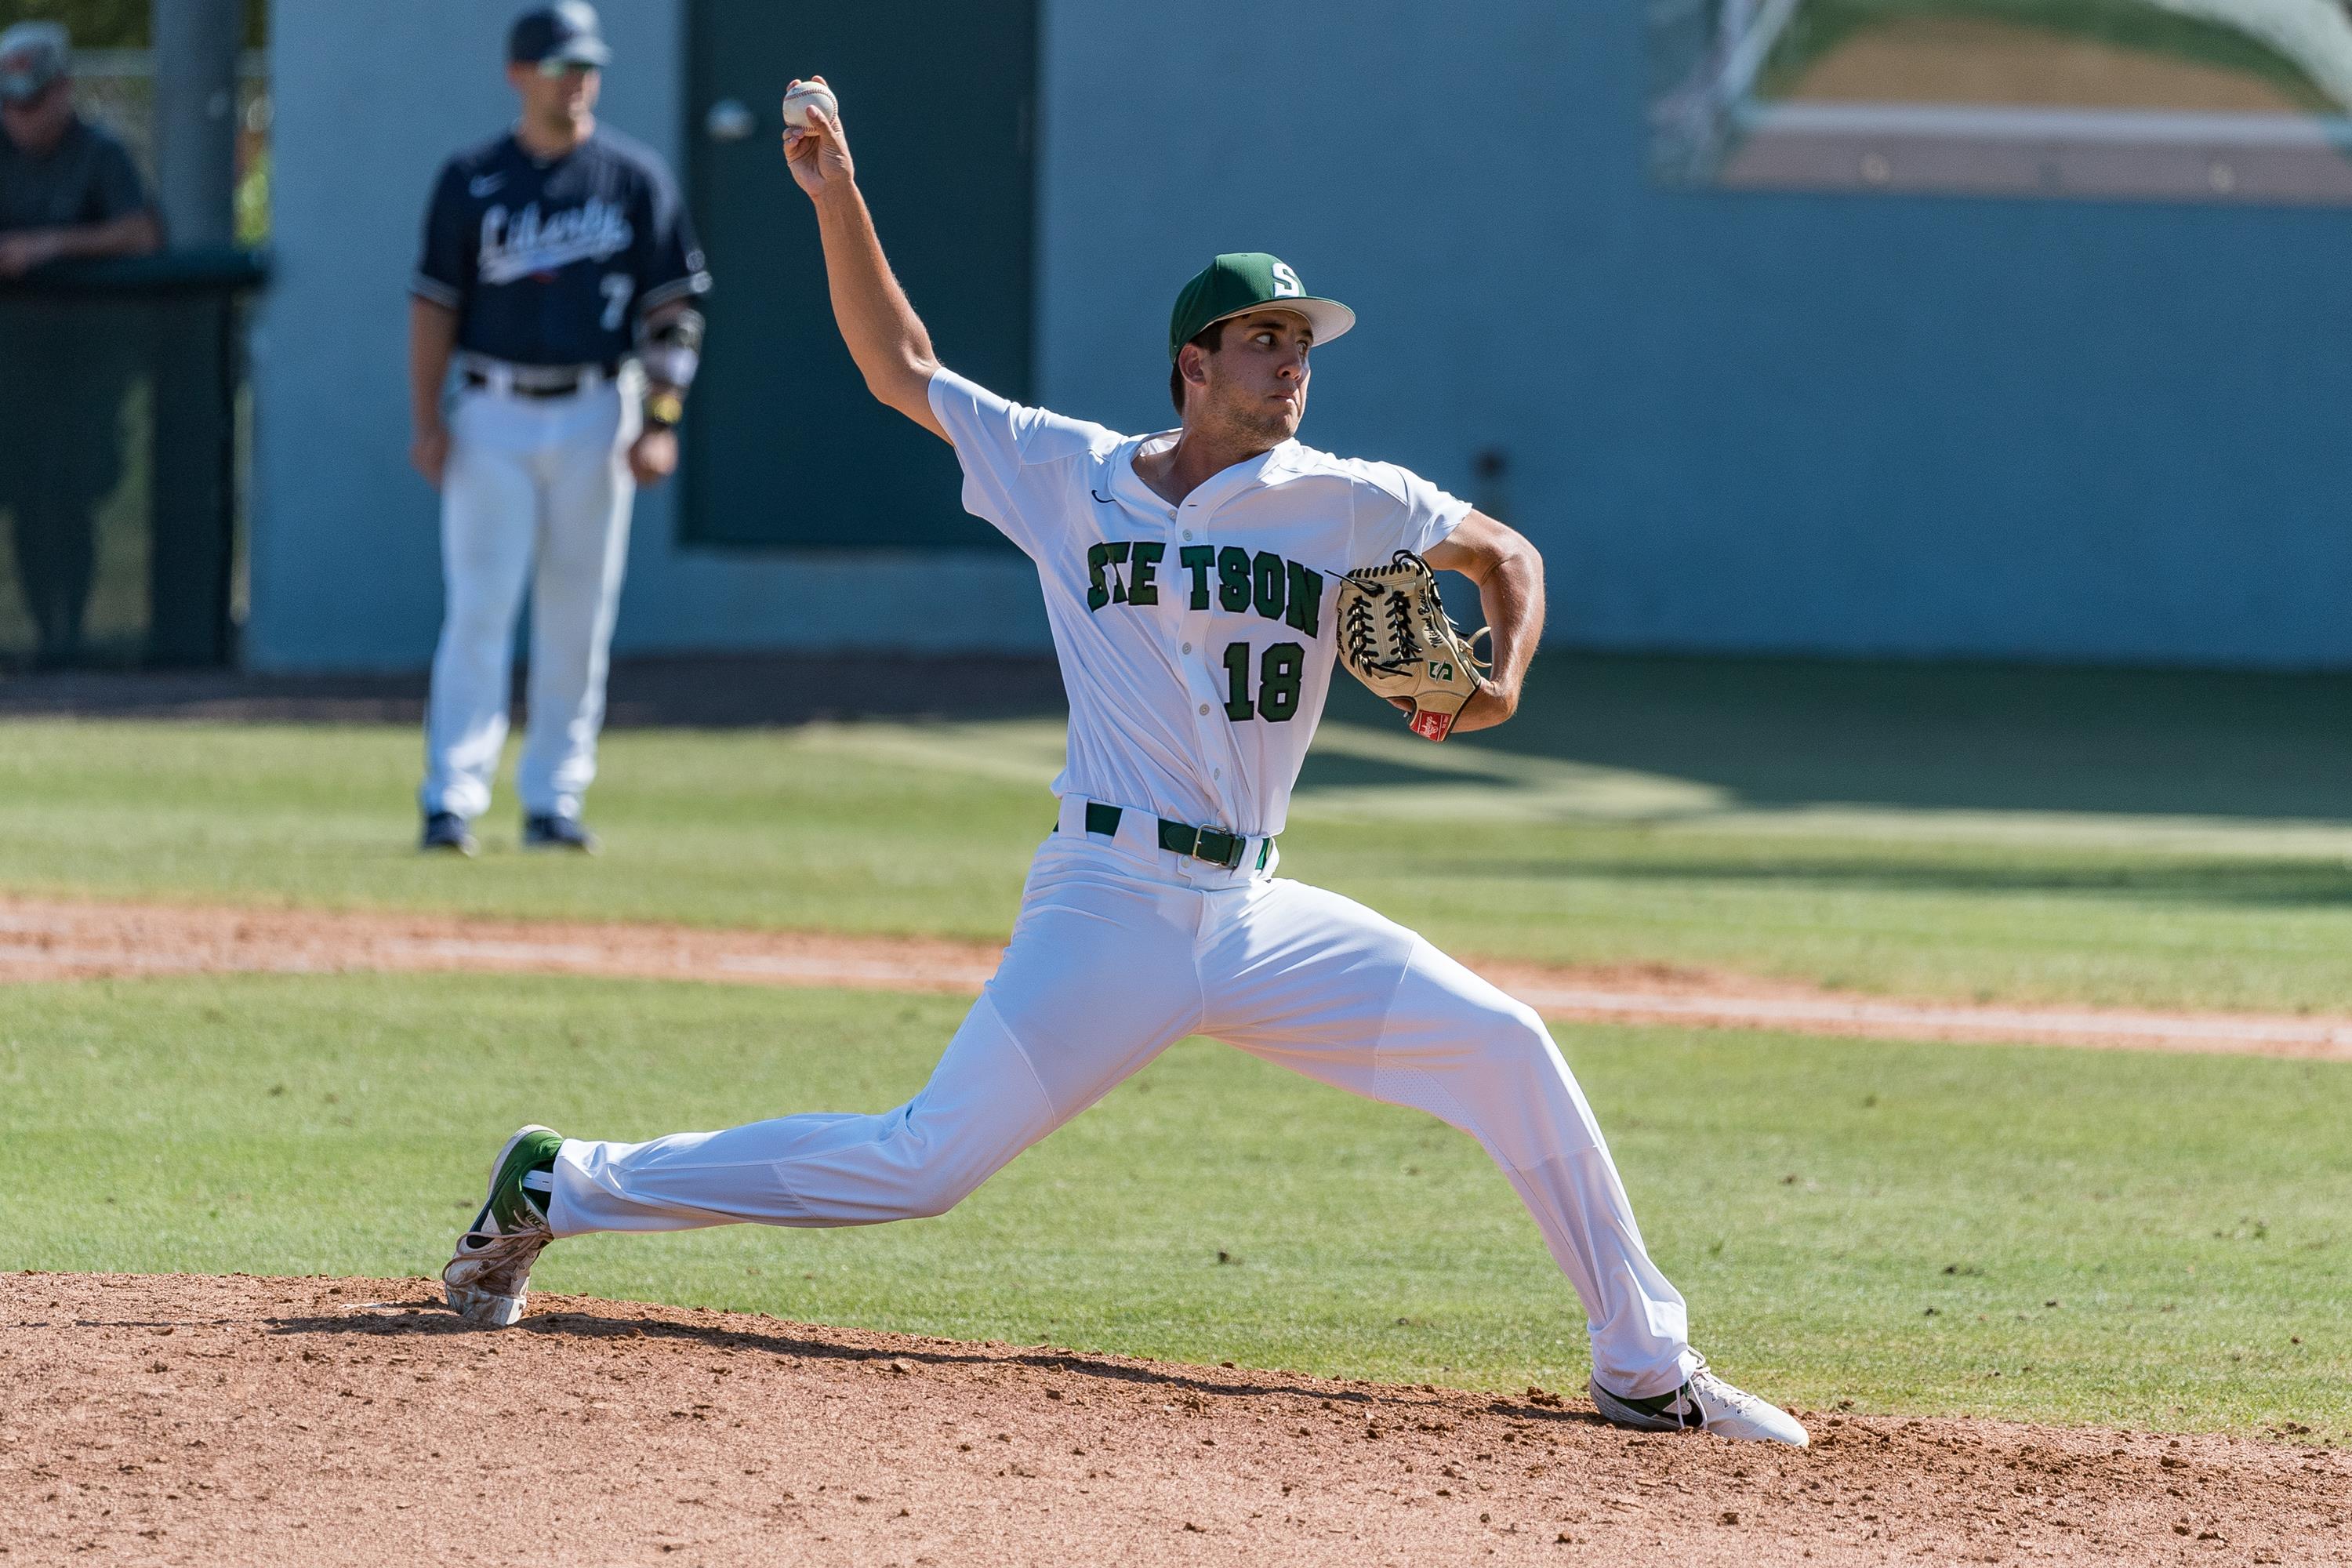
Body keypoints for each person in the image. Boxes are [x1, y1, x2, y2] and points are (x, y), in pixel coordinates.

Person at [439, 78, 1807, 1447]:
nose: (1291, 363)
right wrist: (833, 191)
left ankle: (1643, 1364)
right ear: (1190, 367)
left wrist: (1498, 674)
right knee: (917, 1166)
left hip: (1261, 916)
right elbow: (898, 367)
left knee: (1507, 1047)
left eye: (1302, 344)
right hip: (1107, 905)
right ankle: (562, 1183)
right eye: (1261, 340)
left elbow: (1506, 555)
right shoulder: (1067, 473)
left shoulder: (1348, 498)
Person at [408, 2, 710, 855]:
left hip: (595, 408)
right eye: (558, 66)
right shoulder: (471, 179)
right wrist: (425, 419)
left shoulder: (631, 178)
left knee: (580, 613)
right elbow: (433, 307)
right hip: (492, 408)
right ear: (518, 73)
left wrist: (660, 419)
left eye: (586, 66)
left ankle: (554, 798)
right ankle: (452, 798)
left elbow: (675, 316)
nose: (576, 81)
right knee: (479, 607)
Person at [0, 20, 161, 666]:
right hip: (10, 372)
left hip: (82, 371)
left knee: (69, 502)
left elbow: (144, 234)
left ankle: (69, 640)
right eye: (10, 105)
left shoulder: (100, 155)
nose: (20, 119)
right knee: (23, 504)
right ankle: (40, 638)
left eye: (33, 103)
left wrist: (47, 247)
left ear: (64, 90)